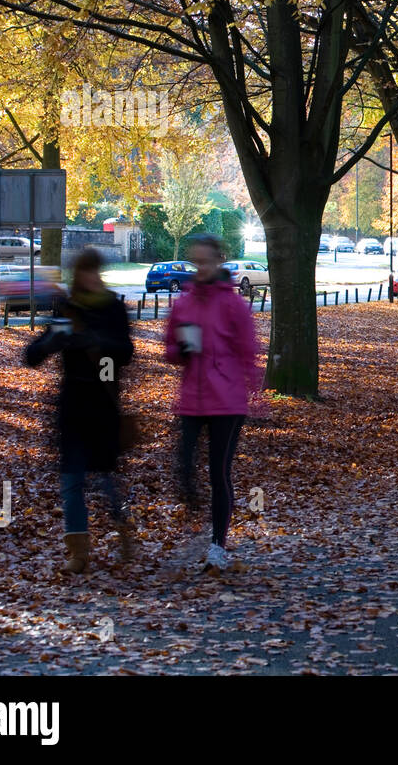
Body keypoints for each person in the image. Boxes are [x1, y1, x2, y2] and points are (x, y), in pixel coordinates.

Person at [25, 248, 135, 574]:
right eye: (84, 271)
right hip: (72, 405)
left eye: (94, 271)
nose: (90, 277)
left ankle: (122, 529)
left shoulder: (113, 307)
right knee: (71, 481)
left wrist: (94, 342)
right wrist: (50, 344)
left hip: (102, 405)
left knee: (105, 480)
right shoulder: (67, 308)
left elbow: (125, 353)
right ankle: (78, 552)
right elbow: (32, 355)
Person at [164, 235, 262, 575]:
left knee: (219, 473)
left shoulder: (233, 304)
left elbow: (249, 352)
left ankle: (217, 545)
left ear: (219, 261)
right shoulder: (184, 303)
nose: (202, 268)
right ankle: (196, 520)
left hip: (228, 401)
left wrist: (256, 396)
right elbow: (169, 350)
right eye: (196, 262)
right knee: (184, 467)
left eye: (207, 261)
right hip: (192, 397)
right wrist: (182, 350)